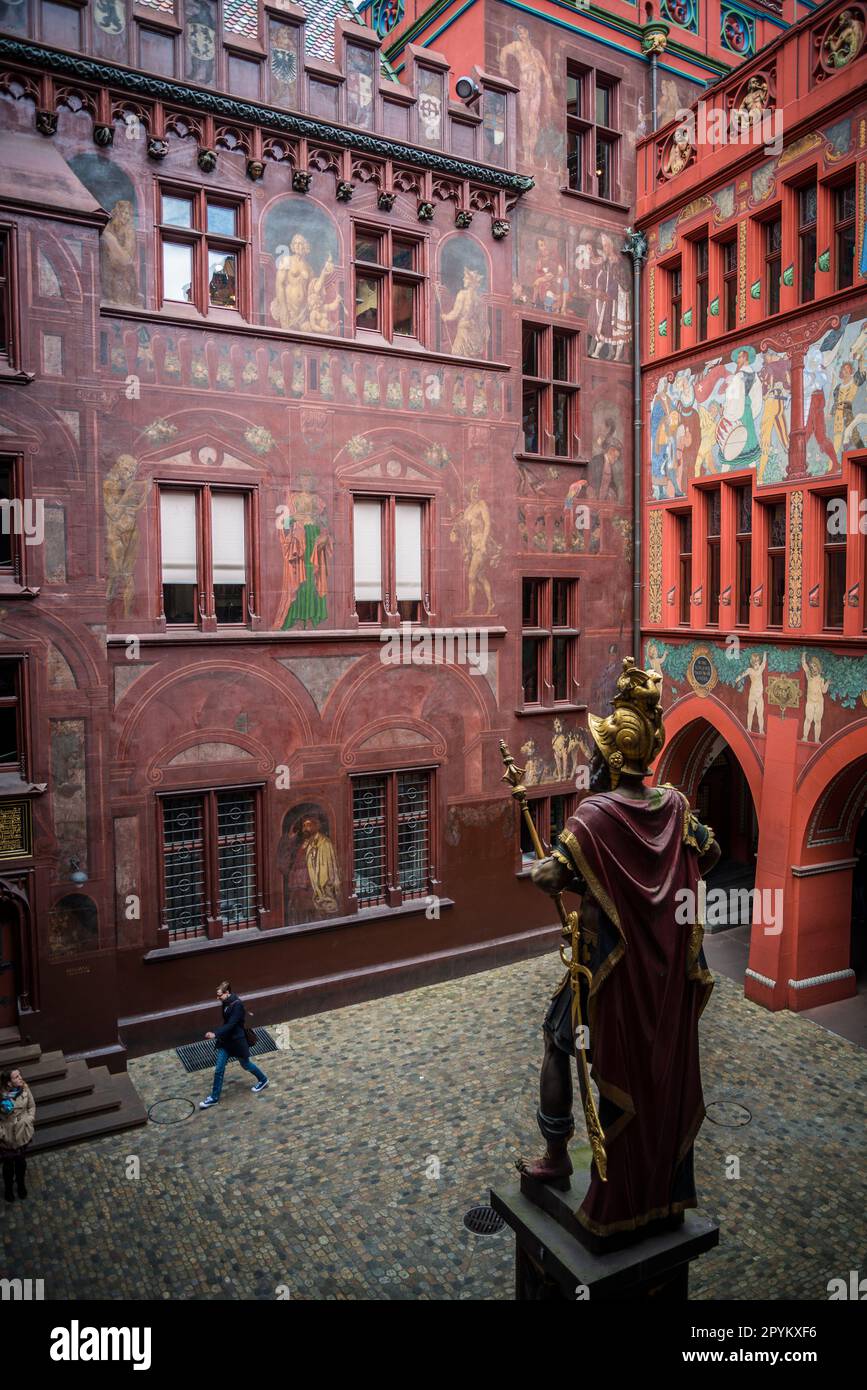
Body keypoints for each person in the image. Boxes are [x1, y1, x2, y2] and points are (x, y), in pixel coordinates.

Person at [517, 659, 721, 1248]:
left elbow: (552, 876)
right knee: (656, 1078)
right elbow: (702, 858)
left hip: (604, 975)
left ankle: (556, 1156)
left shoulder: (594, 818)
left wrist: (541, 861)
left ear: (610, 759)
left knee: (558, 1041)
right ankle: (660, 1192)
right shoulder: (676, 808)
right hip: (662, 980)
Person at [199, 982, 269, 1109]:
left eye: (219, 995)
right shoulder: (226, 1002)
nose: (217, 998)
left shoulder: (237, 1006)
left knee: (245, 1064)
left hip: (237, 1042)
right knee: (219, 1069)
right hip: (226, 1042)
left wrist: (215, 1033)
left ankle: (263, 1080)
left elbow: (231, 1024)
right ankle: (214, 1097)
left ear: (227, 993)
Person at [1, 1068, 36, 1201]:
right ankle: (8, 1189)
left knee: (21, 1162)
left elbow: (31, 1106)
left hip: (22, 1132)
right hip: (7, 1136)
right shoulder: (1, 1096)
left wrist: (29, 1120)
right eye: (16, 1077)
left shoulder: (25, 1089)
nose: (20, 1078)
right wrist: (1, 1133)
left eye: (20, 1075)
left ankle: (21, 1185)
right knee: (8, 1165)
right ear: (9, 1083)